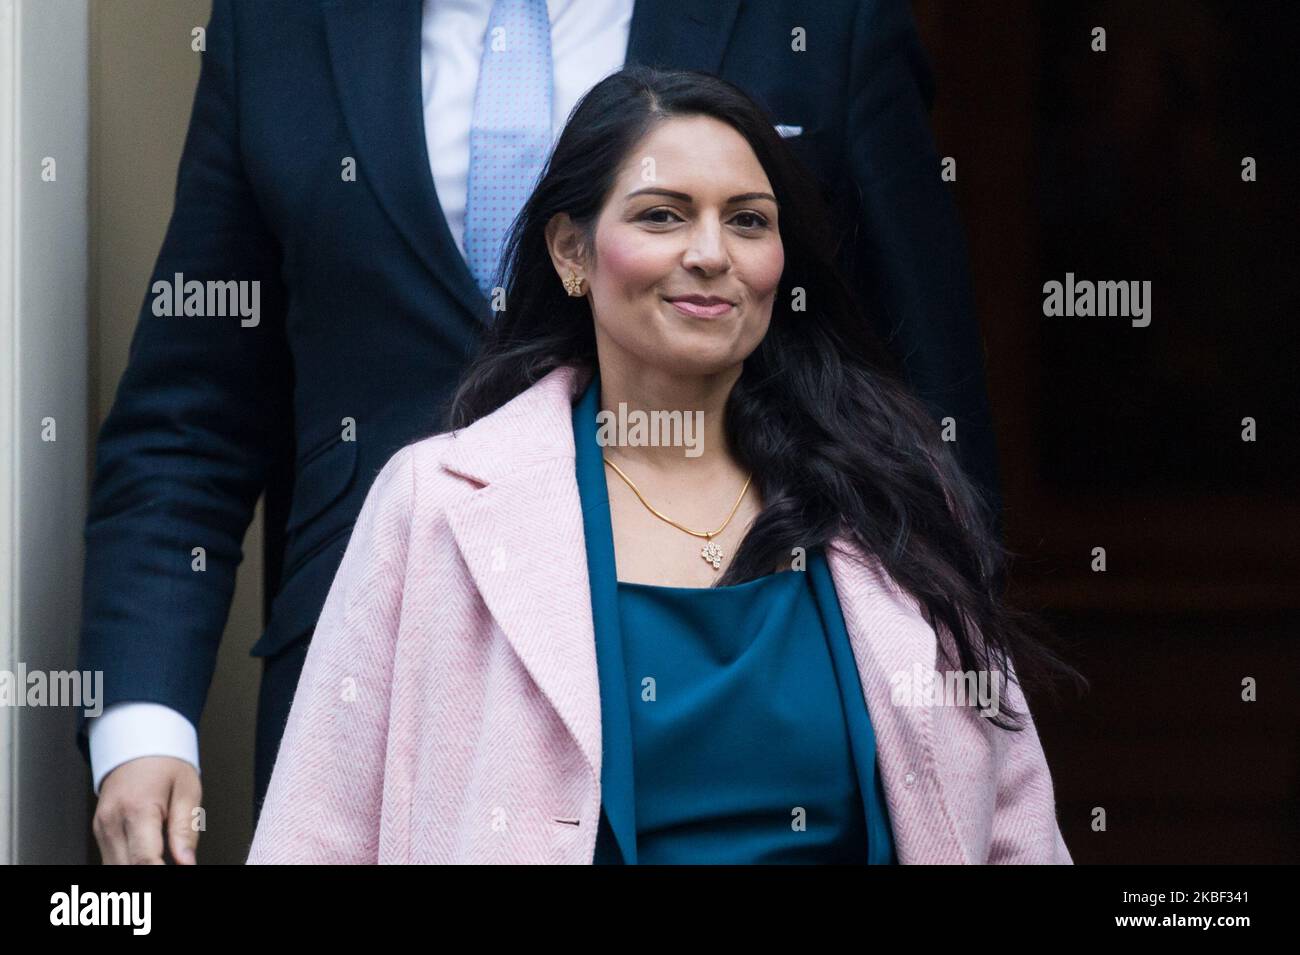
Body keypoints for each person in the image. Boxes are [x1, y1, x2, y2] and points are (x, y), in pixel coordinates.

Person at [81, 0, 1004, 865]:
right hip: (384, 704)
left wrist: (963, 675)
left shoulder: (818, 17)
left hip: (772, 637)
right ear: (567, 250)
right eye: (665, 216)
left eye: (747, 222)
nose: (713, 251)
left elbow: (925, 383)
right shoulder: (278, 22)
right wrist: (143, 721)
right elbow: (189, 411)